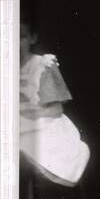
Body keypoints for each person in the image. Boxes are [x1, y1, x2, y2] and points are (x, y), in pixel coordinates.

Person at [19, 22, 89, 187]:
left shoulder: (43, 65)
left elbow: (56, 109)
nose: (17, 43)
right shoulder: (3, 66)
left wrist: (29, 114)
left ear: (32, 38)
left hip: (42, 123)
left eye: (22, 37)